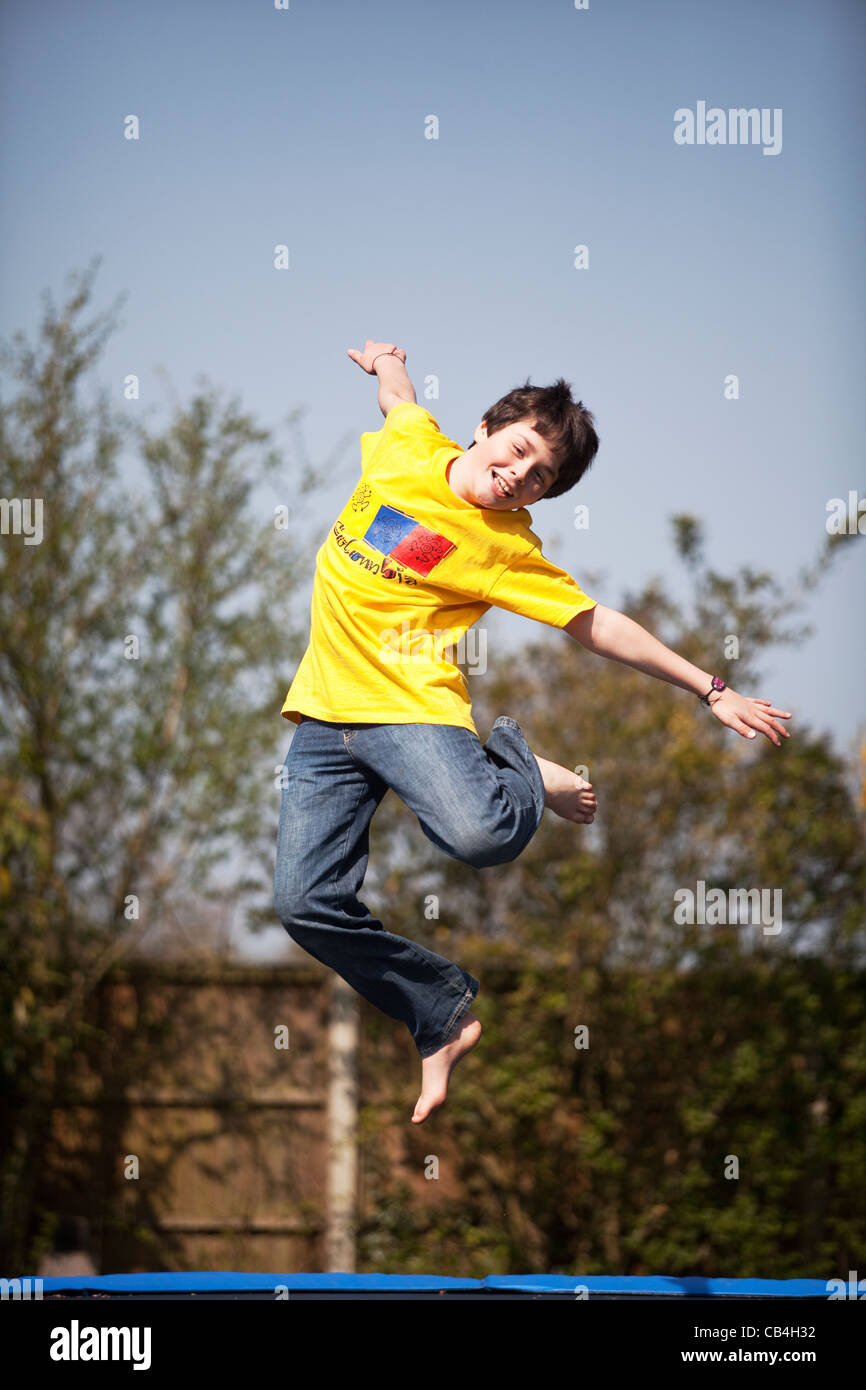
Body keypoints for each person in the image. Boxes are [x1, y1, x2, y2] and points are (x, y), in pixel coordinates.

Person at [273, 340, 792, 1124]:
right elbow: (397, 396)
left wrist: (708, 687)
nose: (518, 475)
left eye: (539, 477)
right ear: (484, 428)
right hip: (322, 716)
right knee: (303, 903)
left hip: (409, 710)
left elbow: (597, 624)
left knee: (483, 835)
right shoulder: (413, 446)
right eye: (517, 452)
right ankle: (438, 1014)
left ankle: (514, 766)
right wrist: (385, 357)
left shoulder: (507, 547)